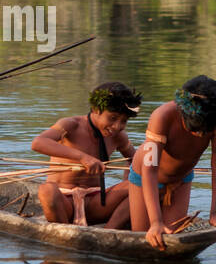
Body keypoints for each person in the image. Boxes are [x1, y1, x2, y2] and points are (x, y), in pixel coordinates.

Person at [128, 76, 216, 250]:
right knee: (143, 241)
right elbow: (150, 170)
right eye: (196, 129)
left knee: (172, 240)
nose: (200, 135)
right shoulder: (162, 116)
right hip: (145, 178)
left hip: (181, 180)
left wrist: (215, 213)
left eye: (205, 131)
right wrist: (155, 222)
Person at [30, 82, 141, 226]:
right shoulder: (71, 125)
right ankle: (65, 232)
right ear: (95, 109)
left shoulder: (118, 136)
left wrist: (127, 181)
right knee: (47, 190)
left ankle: (110, 230)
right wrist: (83, 158)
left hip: (96, 202)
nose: (117, 126)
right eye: (112, 118)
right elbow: (38, 142)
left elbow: (135, 161)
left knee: (140, 186)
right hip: (64, 203)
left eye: (123, 121)